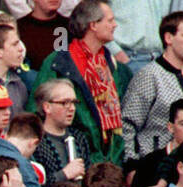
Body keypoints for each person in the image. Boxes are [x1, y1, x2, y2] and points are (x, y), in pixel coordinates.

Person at [33, 0, 131, 164]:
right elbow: (37, 110)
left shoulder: (114, 66)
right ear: (93, 25)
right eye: (110, 20)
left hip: (111, 159)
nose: (114, 25)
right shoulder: (59, 63)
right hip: (73, 156)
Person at [121, 12, 183, 162]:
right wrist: (131, 164)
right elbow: (128, 123)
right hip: (151, 162)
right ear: (168, 38)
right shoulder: (149, 76)